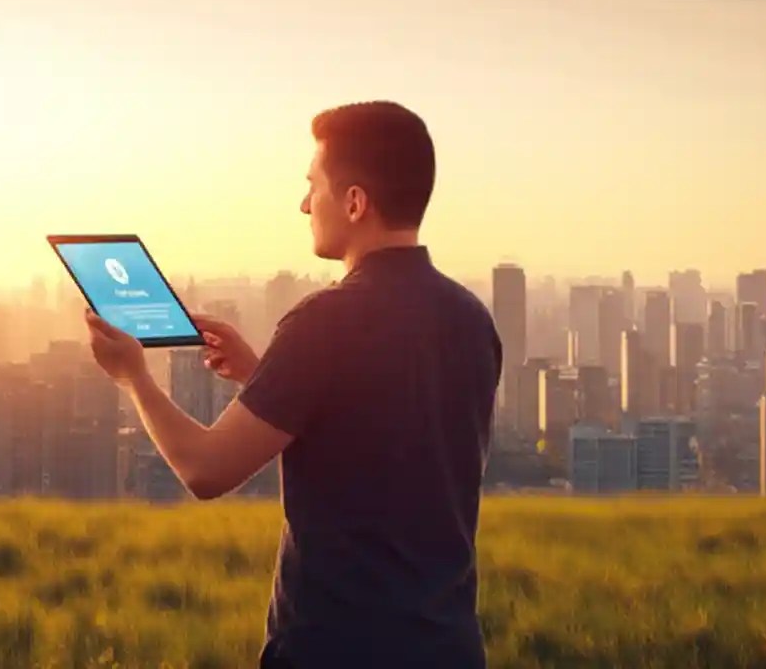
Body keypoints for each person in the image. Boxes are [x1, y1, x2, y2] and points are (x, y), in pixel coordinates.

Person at [84, 101, 502, 668]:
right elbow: (383, 431)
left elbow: (205, 470)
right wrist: (265, 378)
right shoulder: (470, 318)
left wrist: (133, 376)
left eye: (314, 187)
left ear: (354, 202)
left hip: (336, 649)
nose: (305, 204)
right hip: (447, 648)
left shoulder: (325, 321)